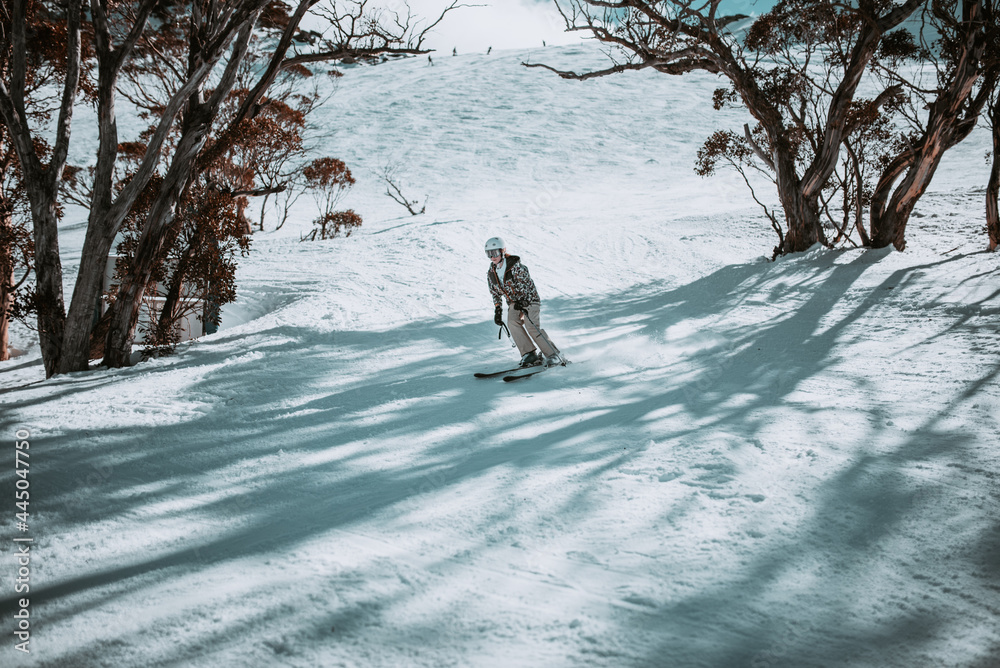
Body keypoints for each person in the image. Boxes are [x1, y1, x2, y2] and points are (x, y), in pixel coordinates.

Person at [485, 237, 564, 368]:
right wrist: (498, 308)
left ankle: (553, 354)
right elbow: (494, 292)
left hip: (530, 300)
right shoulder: (491, 273)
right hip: (514, 303)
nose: (492, 257)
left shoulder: (516, 267)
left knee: (531, 326)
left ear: (502, 251)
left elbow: (527, 284)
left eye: (494, 253)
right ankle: (529, 354)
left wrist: (523, 299)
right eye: (489, 254)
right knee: (512, 322)